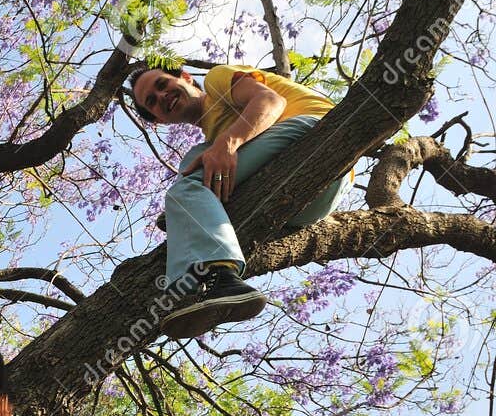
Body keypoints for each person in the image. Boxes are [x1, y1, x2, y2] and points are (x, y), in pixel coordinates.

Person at [127, 64, 345, 340]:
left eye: (162, 84)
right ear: (158, 120)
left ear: (185, 77)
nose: (162, 96)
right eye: (152, 102)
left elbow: (271, 101)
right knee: (192, 167)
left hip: (317, 134)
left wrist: (227, 144)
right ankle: (198, 262)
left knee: (188, 186)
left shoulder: (216, 81)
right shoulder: (209, 143)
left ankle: (219, 279)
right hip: (309, 207)